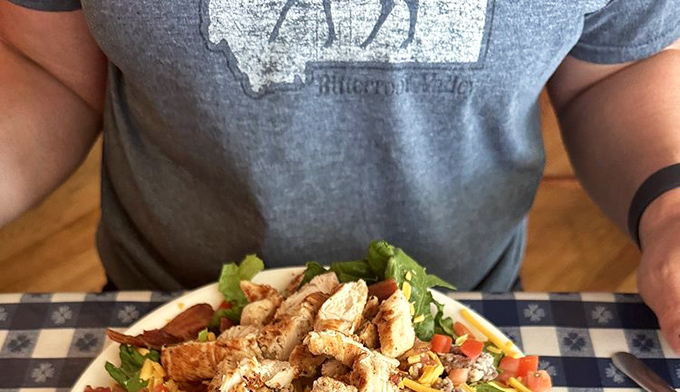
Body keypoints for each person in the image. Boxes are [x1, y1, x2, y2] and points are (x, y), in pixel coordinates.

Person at [1, 0, 679, 351]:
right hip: (164, 326)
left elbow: (618, 65)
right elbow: (44, 66)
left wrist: (669, 206)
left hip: (454, 334)